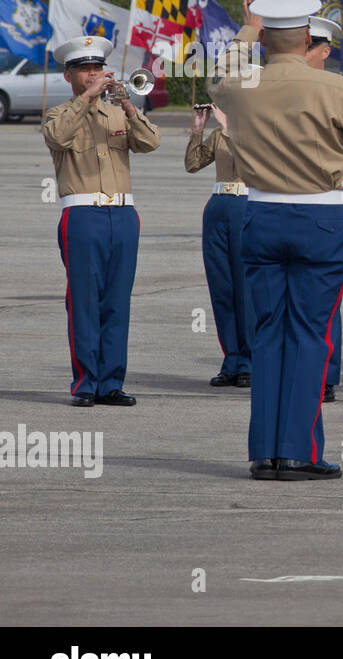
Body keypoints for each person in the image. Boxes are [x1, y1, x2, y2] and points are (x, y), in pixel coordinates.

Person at [210, 0, 343, 479]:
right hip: (319, 220)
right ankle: (297, 451)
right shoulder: (335, 87)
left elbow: (221, 74)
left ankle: (265, 452)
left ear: (266, 40)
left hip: (258, 217)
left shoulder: (240, 84)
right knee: (308, 334)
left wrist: (247, 27)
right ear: (307, 39)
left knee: (267, 335)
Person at [43, 36, 161, 407]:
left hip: (123, 214)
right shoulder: (58, 114)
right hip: (82, 214)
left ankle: (111, 382)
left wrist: (127, 103)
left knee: (116, 301)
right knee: (84, 301)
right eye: (85, 70)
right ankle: (85, 383)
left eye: (97, 68)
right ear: (69, 75)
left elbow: (150, 142)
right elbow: (59, 137)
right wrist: (87, 98)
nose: (94, 74)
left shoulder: (116, 113)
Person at [185, 102, 251, 388]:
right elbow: (192, 164)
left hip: (247, 205)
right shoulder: (218, 135)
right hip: (218, 206)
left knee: (245, 287)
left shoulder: (260, 131)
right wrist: (198, 131)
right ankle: (232, 358)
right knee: (221, 286)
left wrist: (229, 128)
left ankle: (250, 359)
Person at [306, 15, 343, 403]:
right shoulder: (275, 85)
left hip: (326, 200)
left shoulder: (340, 89)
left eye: (311, 47)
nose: (303, 53)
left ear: (325, 51)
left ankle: (325, 374)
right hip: (283, 201)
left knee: (326, 297)